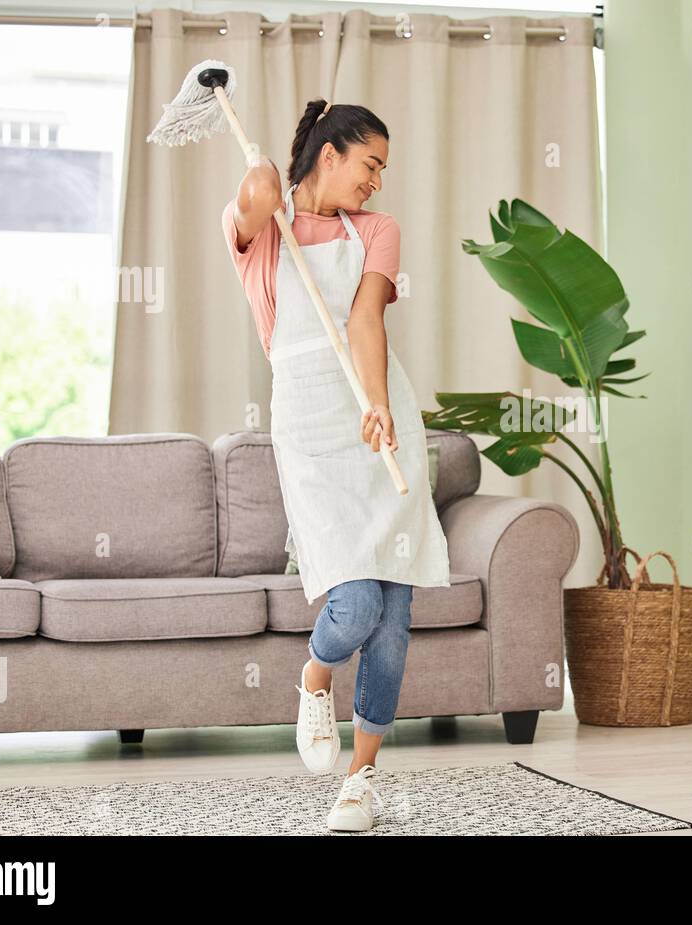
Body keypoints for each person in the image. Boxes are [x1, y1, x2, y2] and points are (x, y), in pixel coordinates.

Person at [222, 100, 450, 832]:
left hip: (374, 416)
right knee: (355, 606)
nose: (378, 181)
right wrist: (263, 174)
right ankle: (315, 675)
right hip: (309, 430)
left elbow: (365, 319)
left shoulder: (378, 231)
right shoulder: (267, 231)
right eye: (370, 164)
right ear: (330, 155)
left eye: (383, 168)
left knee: (395, 612)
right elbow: (251, 202)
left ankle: (361, 780)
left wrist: (379, 405)